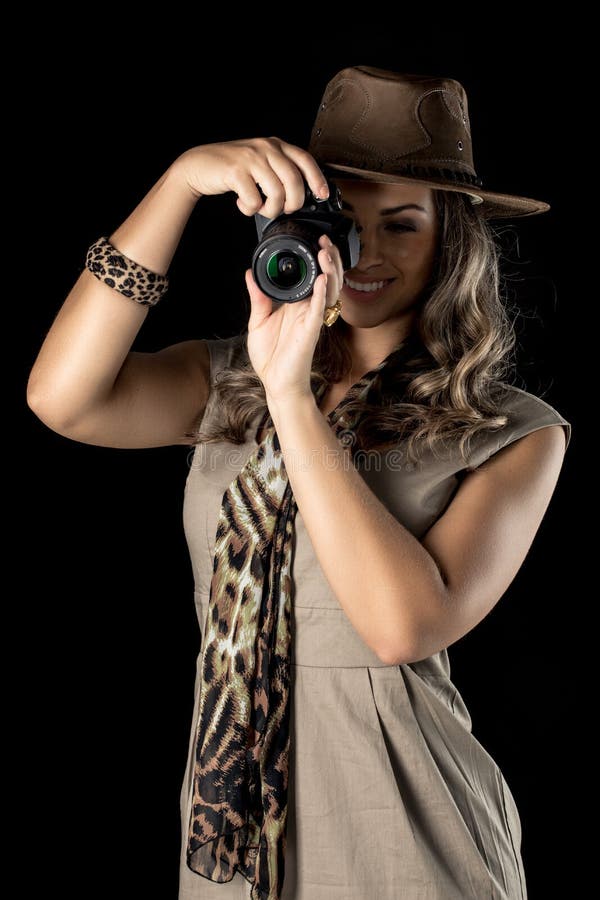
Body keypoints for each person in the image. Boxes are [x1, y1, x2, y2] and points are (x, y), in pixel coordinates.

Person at [26, 66, 570, 900]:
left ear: (451, 240)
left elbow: (401, 629)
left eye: (402, 225)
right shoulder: (228, 380)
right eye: (344, 223)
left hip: (400, 817)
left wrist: (293, 398)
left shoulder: (510, 430)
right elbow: (63, 399)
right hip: (230, 818)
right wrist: (176, 187)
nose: (367, 255)